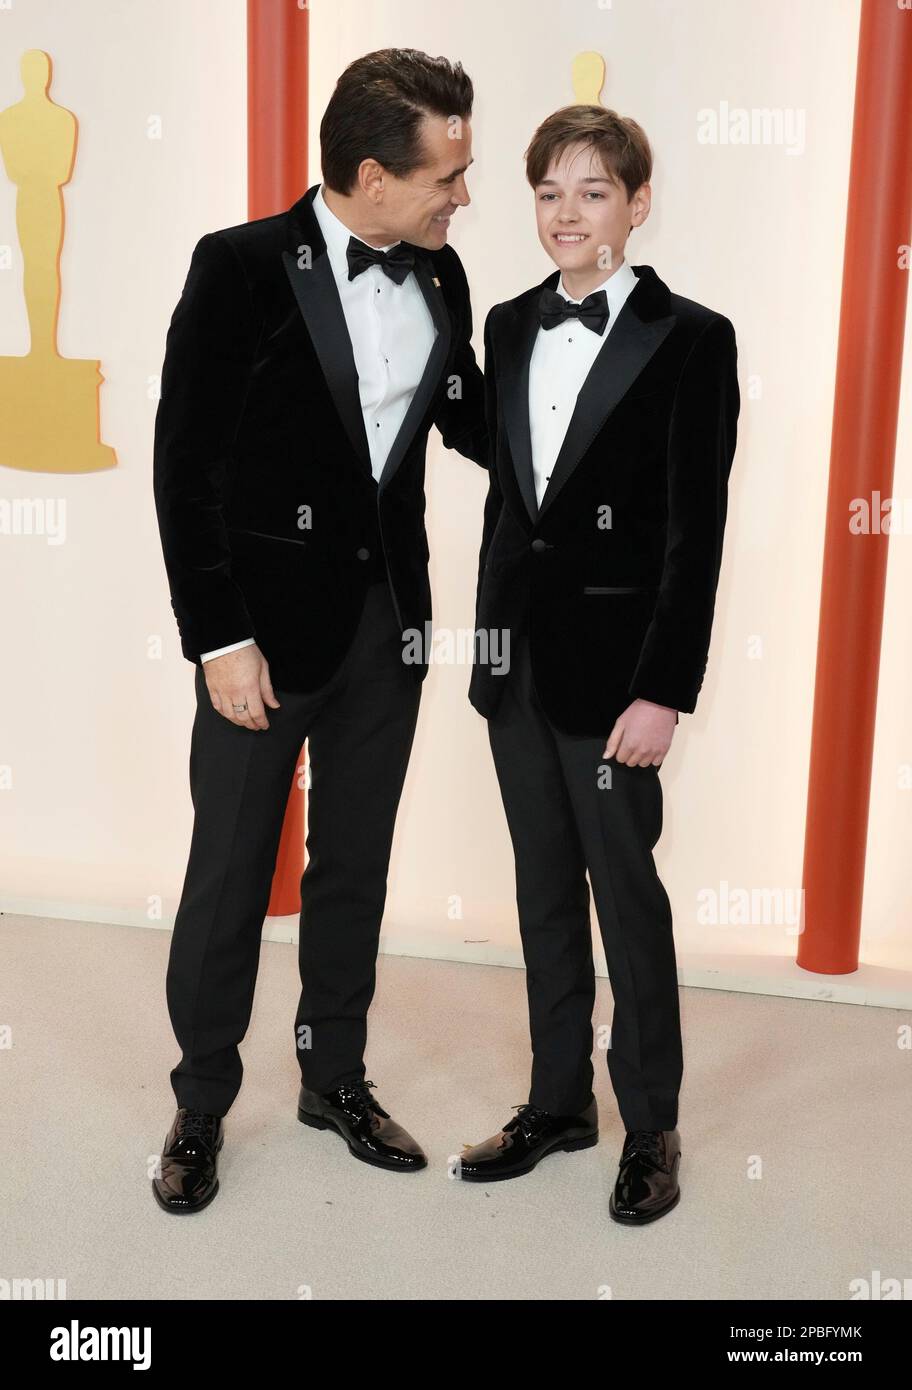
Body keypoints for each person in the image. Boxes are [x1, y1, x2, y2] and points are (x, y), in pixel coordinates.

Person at [151, 48, 487, 1213]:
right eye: (447, 174)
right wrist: (218, 638)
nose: (462, 195)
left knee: (355, 863)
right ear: (370, 174)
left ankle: (332, 1075)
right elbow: (184, 467)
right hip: (260, 636)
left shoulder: (443, 281)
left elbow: (479, 428)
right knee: (232, 869)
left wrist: (596, 337)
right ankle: (199, 1102)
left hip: (386, 630)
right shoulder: (238, 267)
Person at [463, 104, 740, 1224]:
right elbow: (503, 510)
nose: (566, 213)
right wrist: (486, 662)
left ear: (636, 204)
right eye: (546, 193)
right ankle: (557, 1100)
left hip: (619, 678)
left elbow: (695, 530)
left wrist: (665, 689)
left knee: (628, 899)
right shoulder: (507, 324)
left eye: (590, 192)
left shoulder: (692, 337)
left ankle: (652, 1124)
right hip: (517, 671)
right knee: (540, 894)